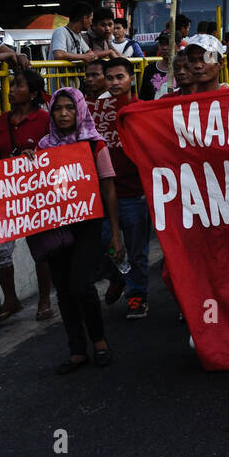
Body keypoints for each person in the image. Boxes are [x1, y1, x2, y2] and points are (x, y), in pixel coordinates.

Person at [31, 88, 123, 373]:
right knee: (64, 290)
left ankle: (99, 342)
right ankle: (76, 349)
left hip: (88, 225)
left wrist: (116, 233)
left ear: (80, 110)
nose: (63, 114)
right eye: (57, 108)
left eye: (69, 108)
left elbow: (108, 189)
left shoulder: (96, 145)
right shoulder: (43, 147)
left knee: (81, 285)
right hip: (56, 226)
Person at [0, 70, 54, 323]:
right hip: (8, 195)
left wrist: (36, 154)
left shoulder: (46, 120)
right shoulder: (1, 122)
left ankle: (45, 300)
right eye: (12, 85)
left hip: (38, 193)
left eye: (17, 85)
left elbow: (56, 153)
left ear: (33, 93)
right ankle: (11, 299)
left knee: (42, 249)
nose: (11, 89)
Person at [93, 58, 152, 319]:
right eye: (110, 78)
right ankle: (118, 276)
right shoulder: (95, 112)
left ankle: (137, 295)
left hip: (134, 194)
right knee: (106, 244)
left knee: (137, 250)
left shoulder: (142, 111)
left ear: (131, 79)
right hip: (104, 194)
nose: (115, 82)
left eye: (120, 77)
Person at [139, 33, 174, 101]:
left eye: (168, 44)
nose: (164, 48)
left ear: (177, 45)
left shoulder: (184, 69)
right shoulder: (149, 70)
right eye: (162, 44)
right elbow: (144, 97)